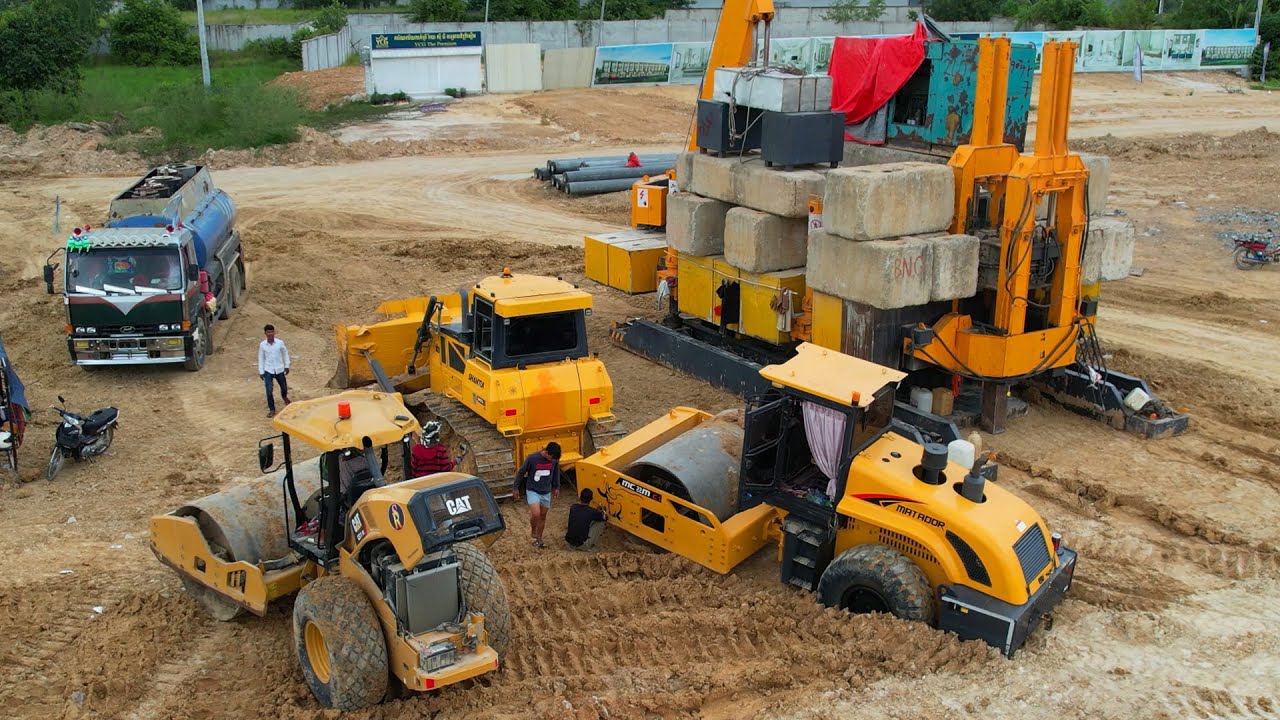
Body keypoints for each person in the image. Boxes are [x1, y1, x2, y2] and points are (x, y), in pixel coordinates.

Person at [514, 442, 561, 549]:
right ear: (547, 453)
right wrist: (516, 487)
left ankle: (539, 538)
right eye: (552, 458)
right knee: (536, 514)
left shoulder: (554, 461)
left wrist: (556, 487)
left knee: (543, 516)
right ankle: (533, 529)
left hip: (546, 491)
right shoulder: (532, 458)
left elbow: (555, 473)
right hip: (533, 490)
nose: (552, 461)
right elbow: (521, 472)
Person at [258, 324, 291, 418]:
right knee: (269, 390)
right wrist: (261, 371)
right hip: (268, 370)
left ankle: (284, 397)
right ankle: (272, 409)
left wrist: (287, 365)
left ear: (274, 332)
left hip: (279, 368)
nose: (270, 334)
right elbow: (261, 358)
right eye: (268, 332)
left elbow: (285, 353)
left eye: (272, 332)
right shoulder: (262, 345)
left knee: (284, 387)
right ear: (265, 333)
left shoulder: (280, 343)